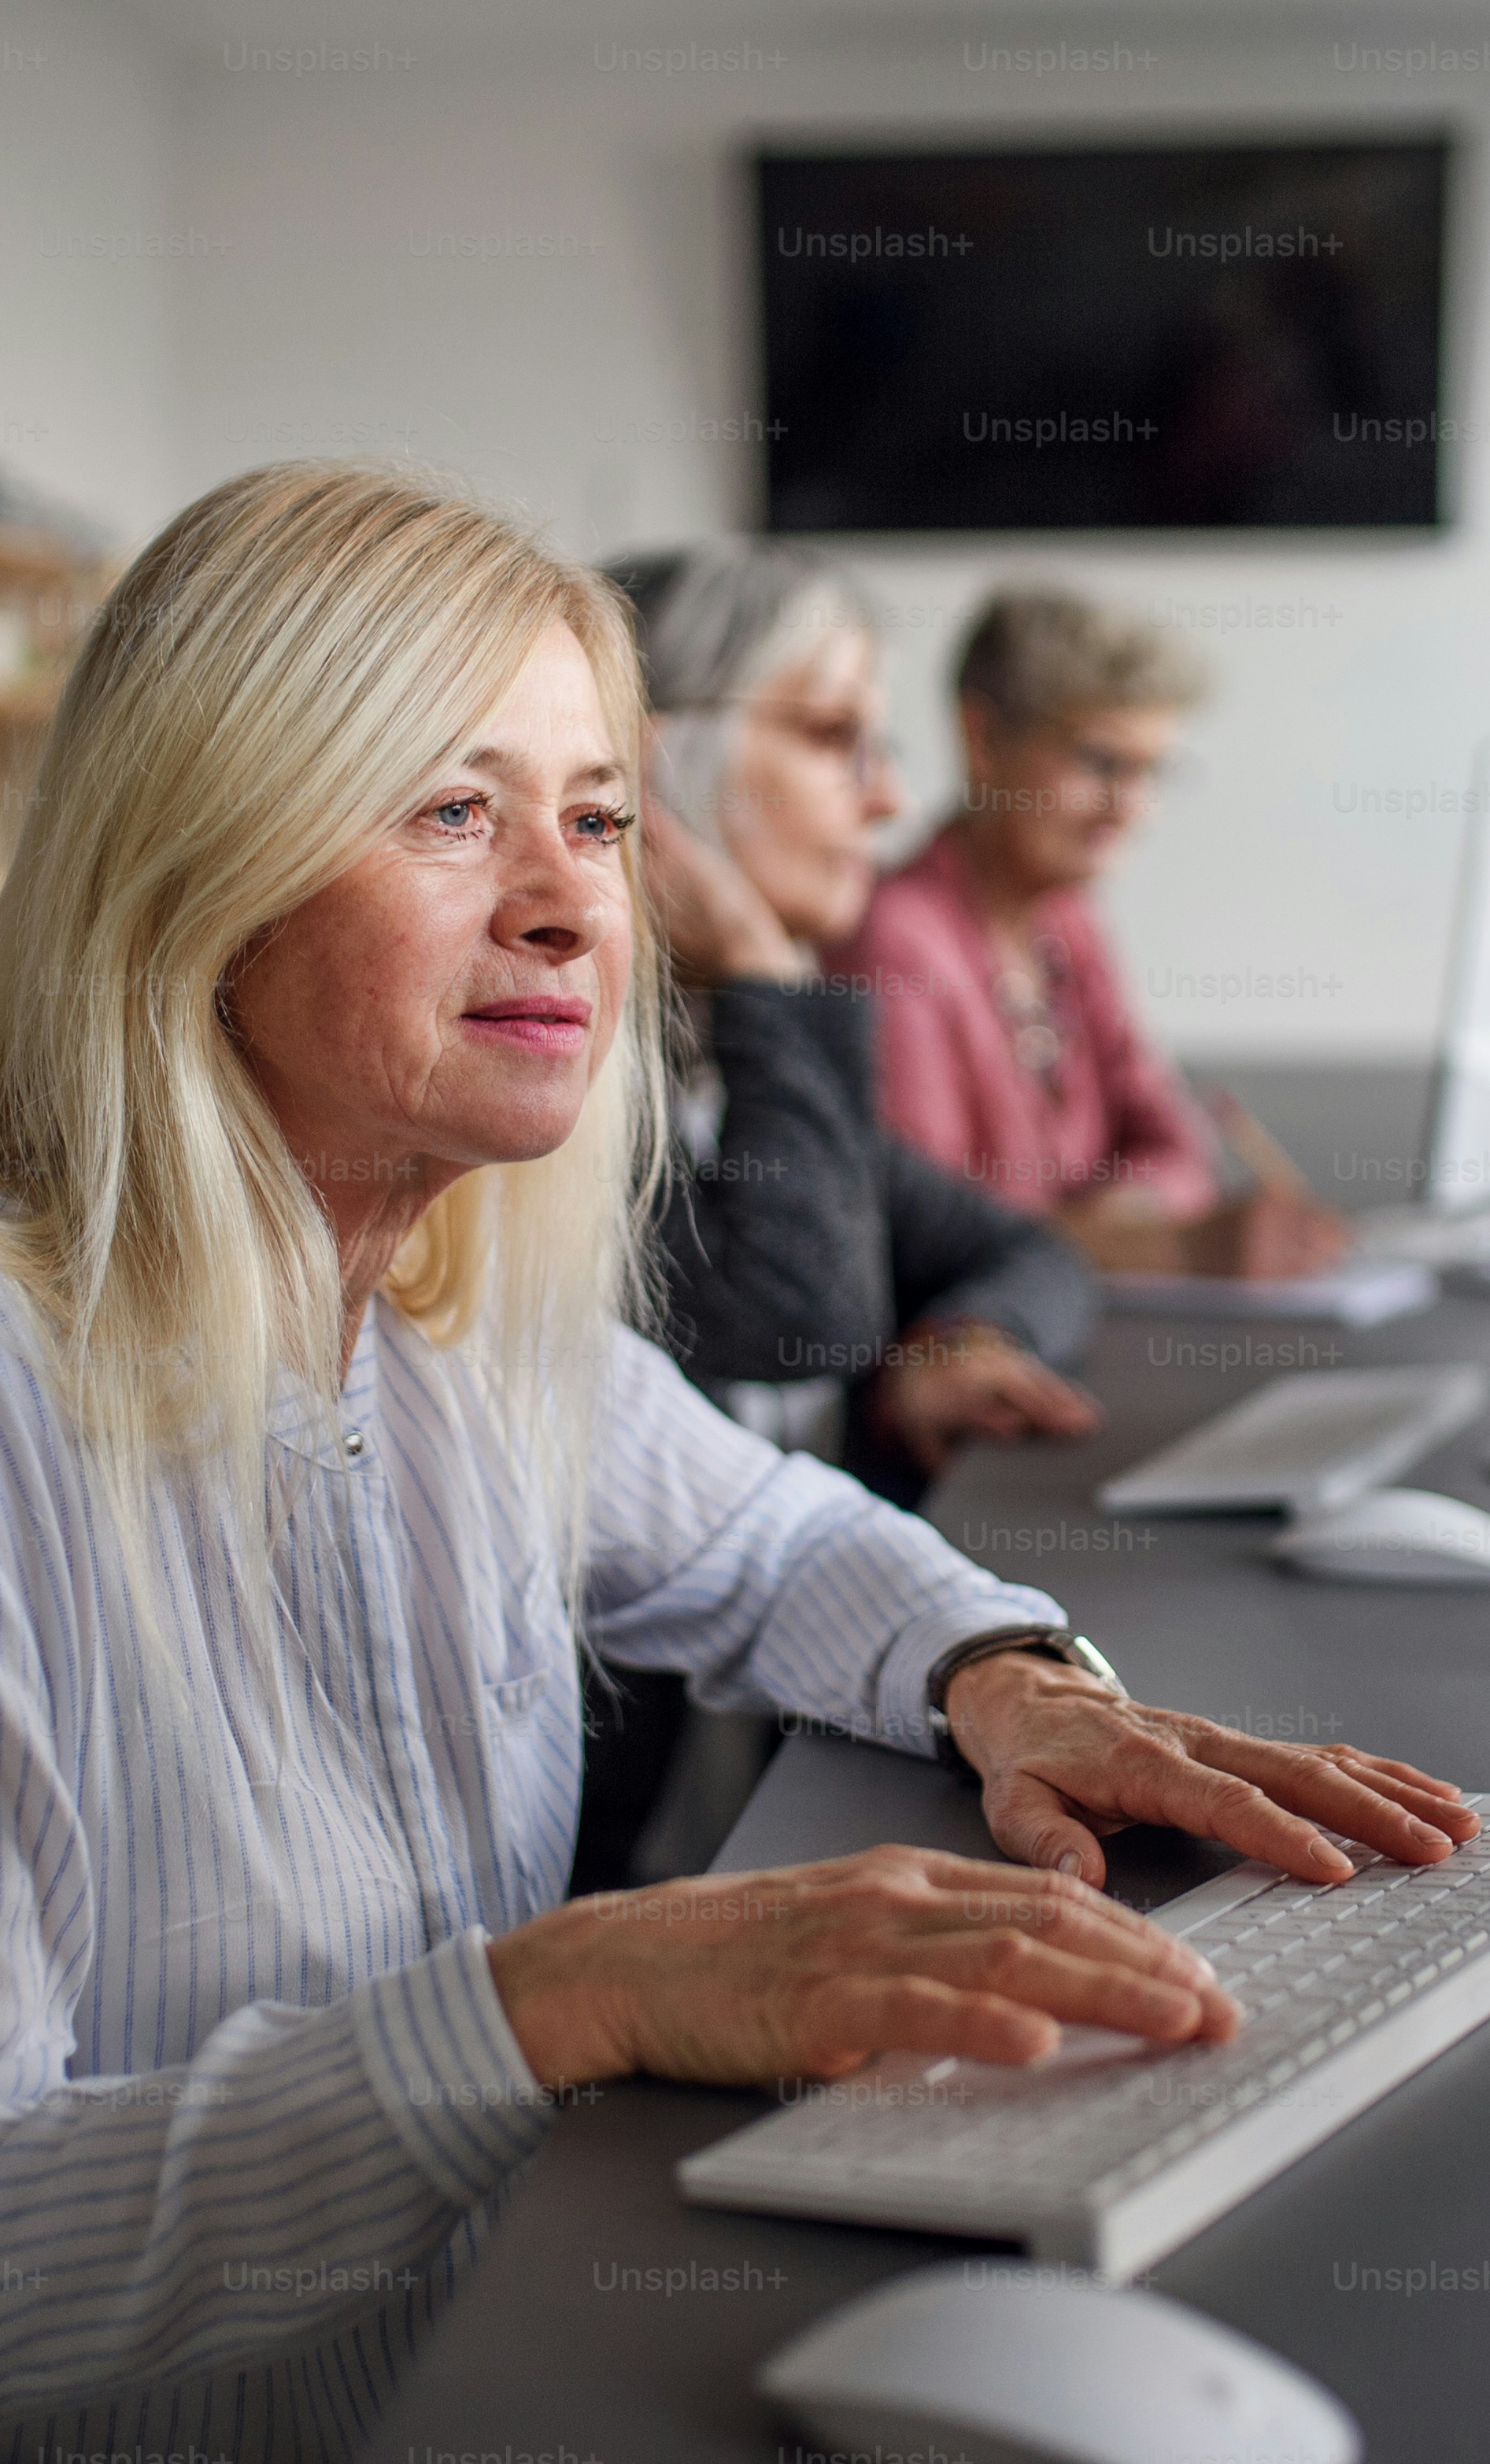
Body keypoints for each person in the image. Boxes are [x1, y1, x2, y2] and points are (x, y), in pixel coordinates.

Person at [0, 467, 1476, 2464]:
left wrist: (1009, 1675)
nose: (570, 898)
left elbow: (773, 1542)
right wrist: (567, 1993)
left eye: (597, 819)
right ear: (196, 866)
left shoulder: (442, 1307)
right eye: (451, 810)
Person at [576, 538, 1102, 1892]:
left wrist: (962, 1340)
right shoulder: (544, 1117)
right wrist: (758, 963)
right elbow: (791, 1324)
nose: (888, 797)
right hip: (582, 1914)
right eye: (831, 738)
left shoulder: (719, 1066)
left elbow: (1020, 1247)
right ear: (649, 769)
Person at [830, 582, 1349, 1278]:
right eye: (1101, 763)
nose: (1130, 808)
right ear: (981, 739)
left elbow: (1175, 1146)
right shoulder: (895, 940)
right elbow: (925, 1243)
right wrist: (1158, 1243)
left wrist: (1107, 1222)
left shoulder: (1065, 922)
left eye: (1152, 771)